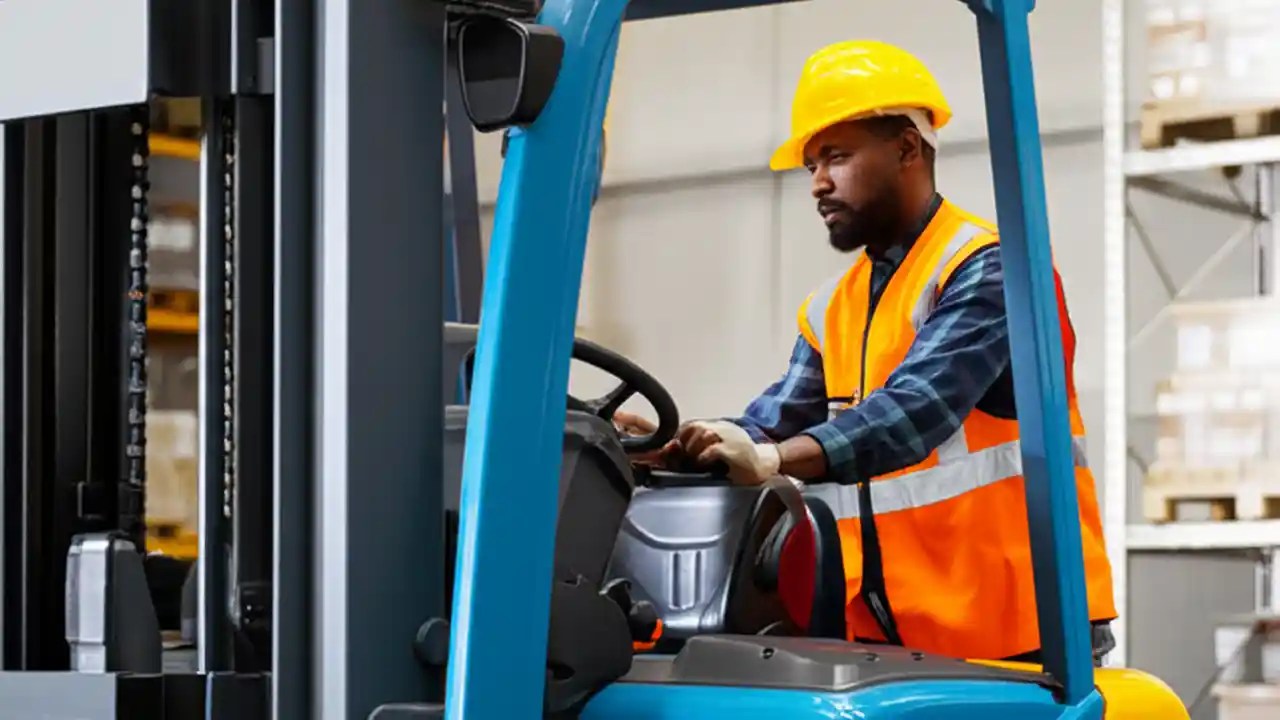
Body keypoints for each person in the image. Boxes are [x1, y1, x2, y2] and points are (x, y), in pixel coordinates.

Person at [615, 39, 1117, 665]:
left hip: (1017, 636)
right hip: (893, 638)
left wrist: (771, 458)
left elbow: (912, 414)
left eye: (837, 157)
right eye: (811, 167)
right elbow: (768, 424)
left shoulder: (988, 269)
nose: (819, 184)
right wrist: (680, 444)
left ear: (908, 148)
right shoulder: (834, 304)